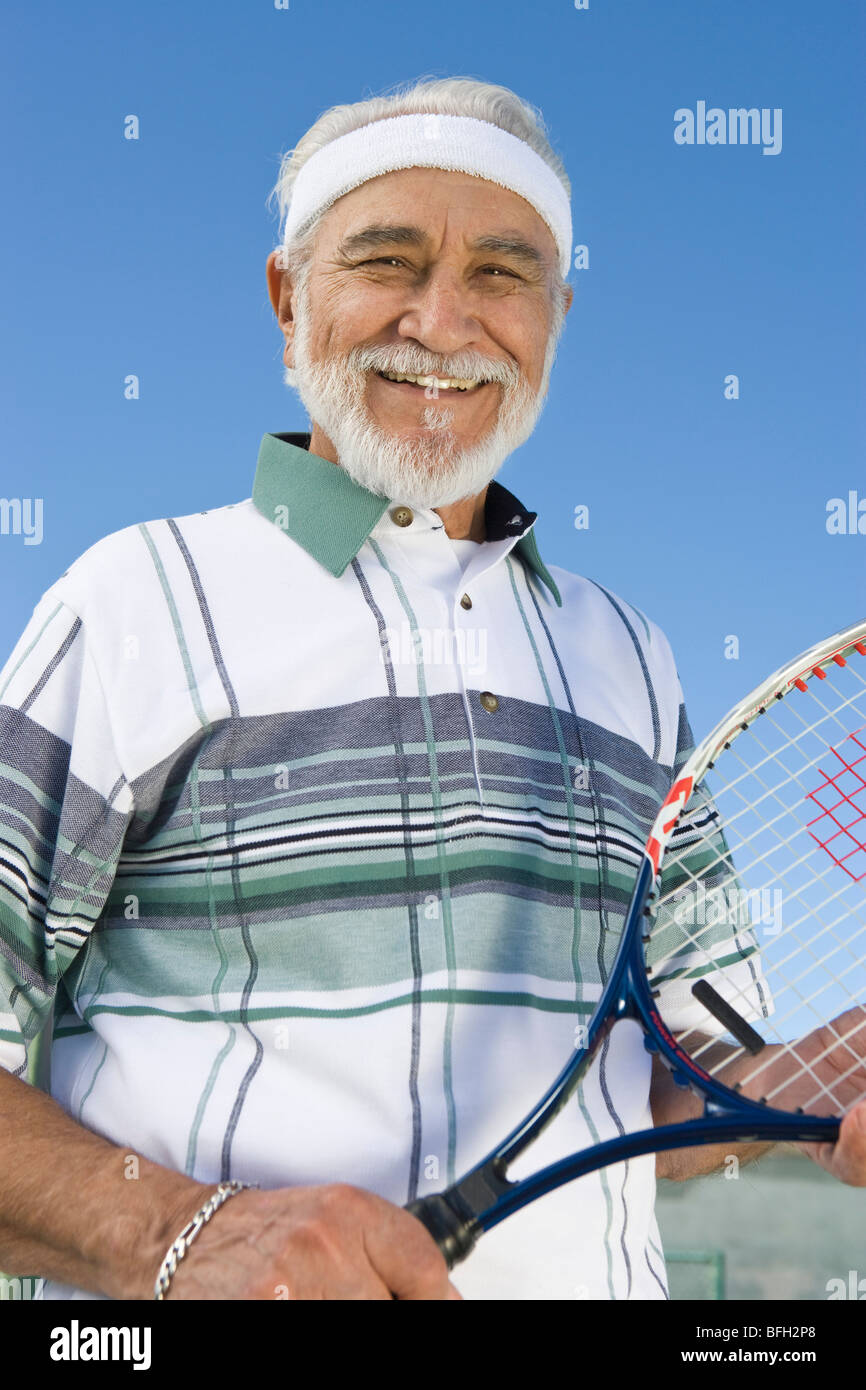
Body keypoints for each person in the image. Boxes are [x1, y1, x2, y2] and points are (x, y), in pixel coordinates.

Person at [1, 76, 863, 1303]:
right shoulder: (132, 600)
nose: (443, 321)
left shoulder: (631, 654)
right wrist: (175, 1236)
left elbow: (680, 1067)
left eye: (502, 275)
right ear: (286, 298)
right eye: (386, 259)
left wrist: (798, 1080)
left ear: (553, 316)